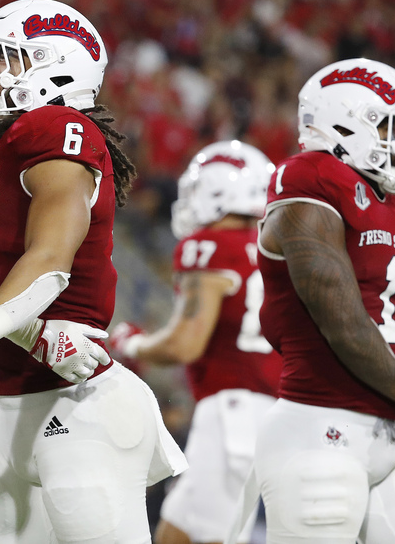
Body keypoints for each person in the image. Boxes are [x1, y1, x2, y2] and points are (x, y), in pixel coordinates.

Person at [0, 0, 187, 543]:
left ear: (51, 68)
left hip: (81, 407)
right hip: (19, 408)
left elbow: (49, 263)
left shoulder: (58, 130)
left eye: (0, 55)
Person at [242, 57, 395, 542]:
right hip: (320, 425)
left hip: (391, 431)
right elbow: (340, 317)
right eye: (391, 128)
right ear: (347, 121)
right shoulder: (310, 176)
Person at [109, 140, 281, 544]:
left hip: (231, 411)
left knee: (196, 535)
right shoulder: (274, 250)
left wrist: (131, 343)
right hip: (271, 412)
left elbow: (186, 343)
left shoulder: (210, 246)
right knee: (184, 531)